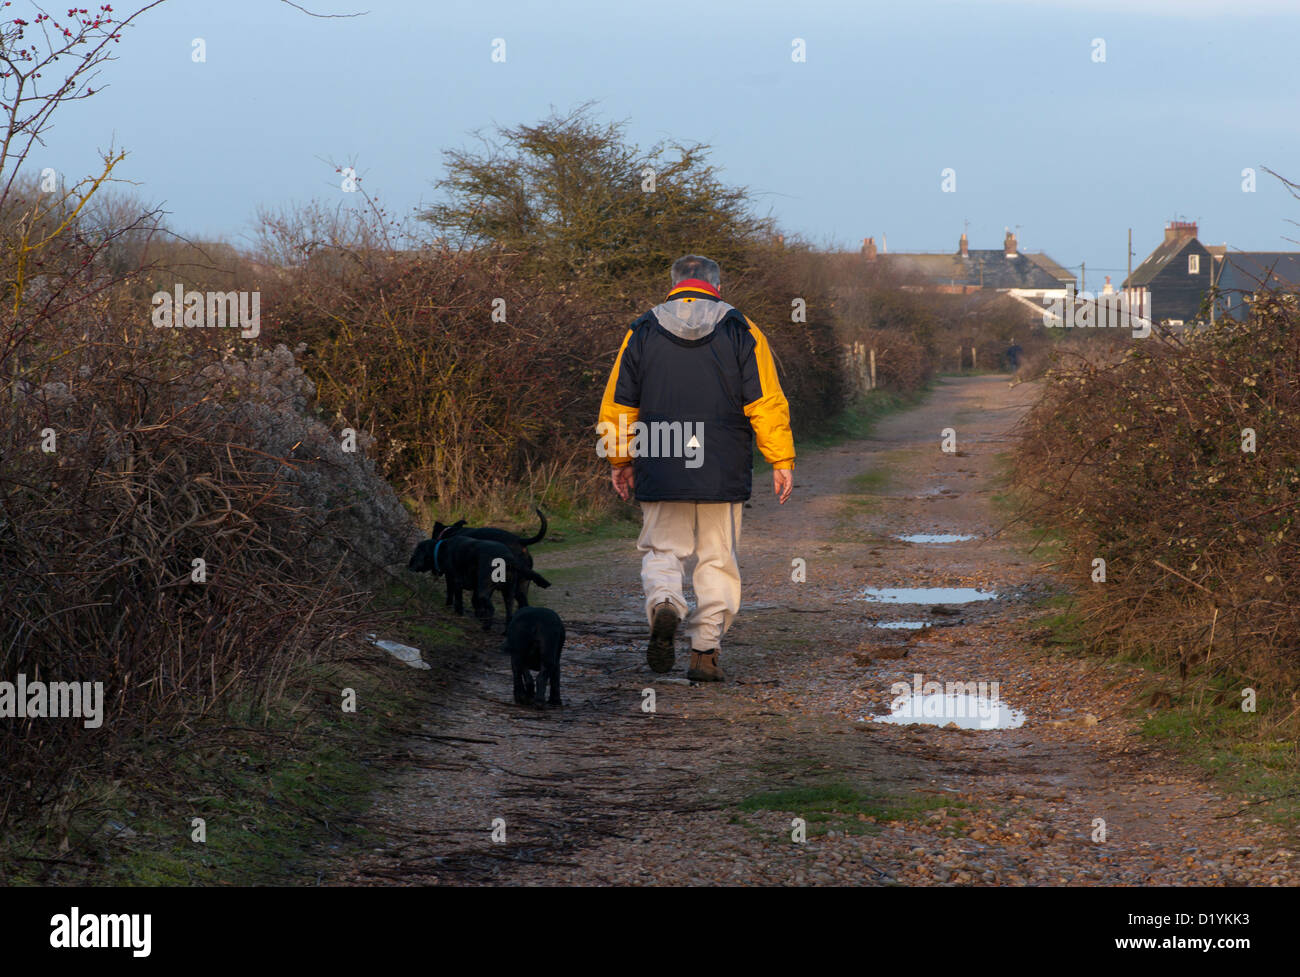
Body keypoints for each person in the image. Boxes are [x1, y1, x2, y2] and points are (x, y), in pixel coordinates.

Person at [596, 255, 794, 682]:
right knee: (718, 559)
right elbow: (765, 402)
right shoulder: (743, 329)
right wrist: (780, 458)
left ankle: (666, 603)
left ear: (673, 285)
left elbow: (619, 405)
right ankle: (705, 651)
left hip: (661, 460)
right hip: (720, 467)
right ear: (716, 285)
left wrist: (619, 458)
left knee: (663, 550)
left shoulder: (642, 329)